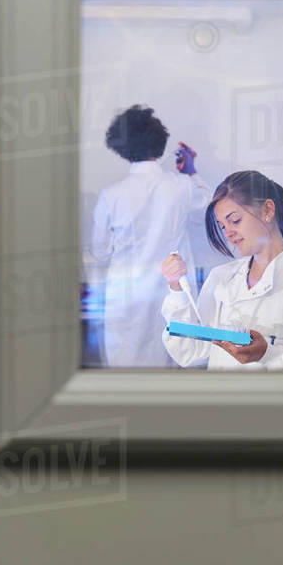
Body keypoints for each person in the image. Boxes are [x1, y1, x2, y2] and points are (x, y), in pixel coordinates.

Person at [158, 170, 283, 370]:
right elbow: (192, 350)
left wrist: (268, 354)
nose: (228, 234)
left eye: (235, 220)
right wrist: (176, 289)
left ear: (268, 210)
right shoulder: (221, 278)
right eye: (223, 226)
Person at [87, 105, 212, 368]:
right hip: (172, 291)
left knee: (127, 367)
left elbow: (100, 251)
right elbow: (207, 208)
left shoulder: (111, 195)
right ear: (160, 141)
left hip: (127, 295)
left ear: (121, 147)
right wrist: (191, 171)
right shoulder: (181, 186)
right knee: (174, 358)